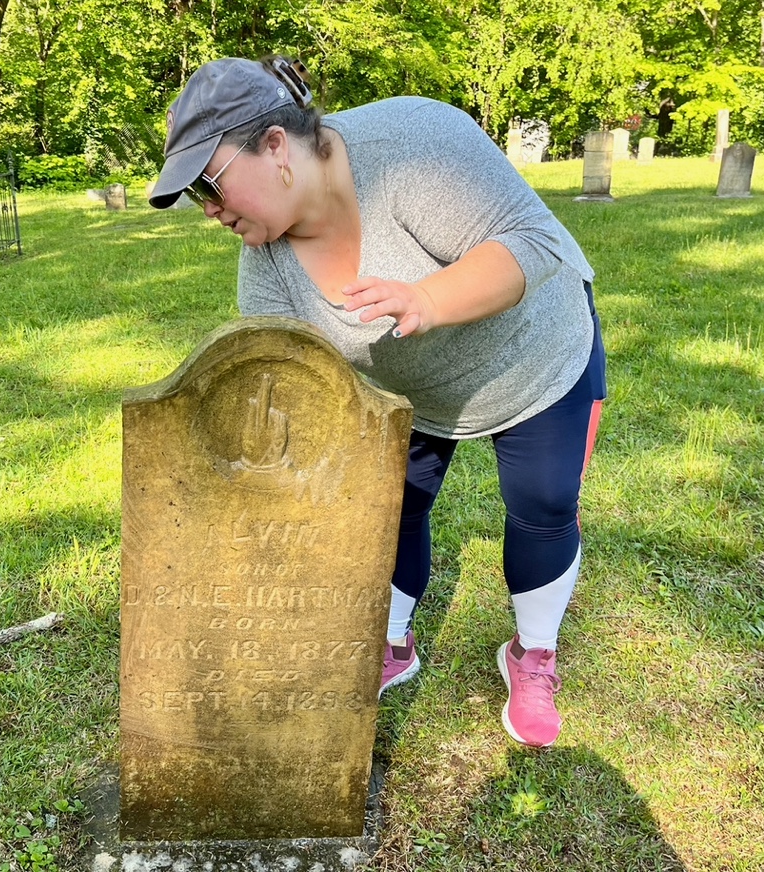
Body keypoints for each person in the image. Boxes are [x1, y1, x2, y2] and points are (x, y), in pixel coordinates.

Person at [148, 56, 606, 748]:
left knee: (542, 504)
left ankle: (532, 651)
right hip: (413, 394)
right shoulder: (265, 267)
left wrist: (428, 298)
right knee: (389, 504)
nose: (210, 212)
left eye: (209, 186)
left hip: (533, 358)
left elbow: (535, 242)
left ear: (275, 146)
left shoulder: (413, 142)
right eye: (194, 200)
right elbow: (292, 387)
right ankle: (389, 641)